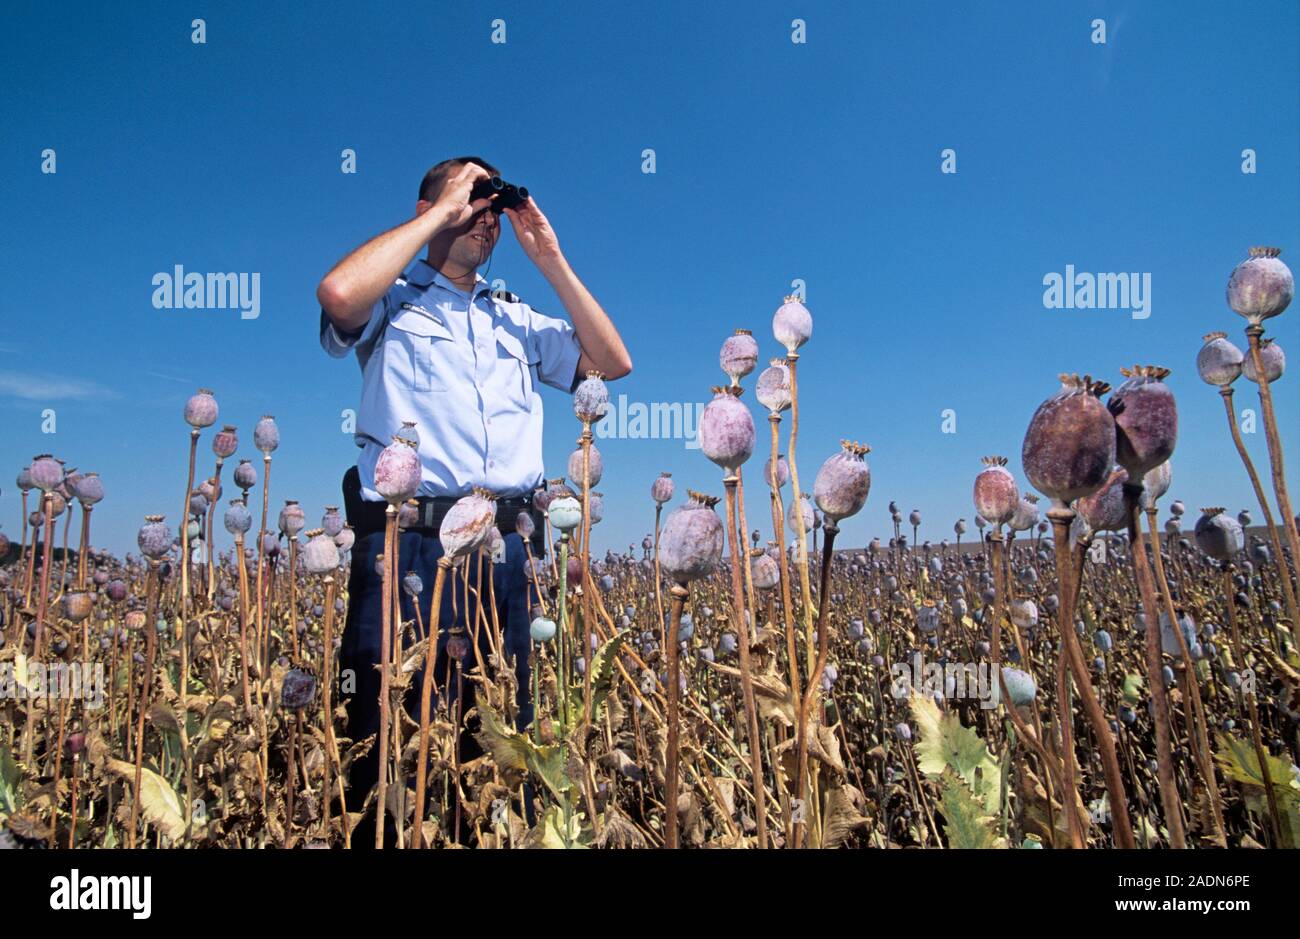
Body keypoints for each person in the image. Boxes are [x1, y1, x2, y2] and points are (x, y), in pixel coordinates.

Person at [317, 156, 631, 846]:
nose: (486, 217)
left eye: (495, 205)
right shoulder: (393, 302)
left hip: (507, 551)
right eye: (474, 199)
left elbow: (611, 364)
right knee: (390, 731)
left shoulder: (514, 318)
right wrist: (440, 211)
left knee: (497, 733)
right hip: (410, 547)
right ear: (434, 204)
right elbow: (338, 294)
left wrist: (549, 256)